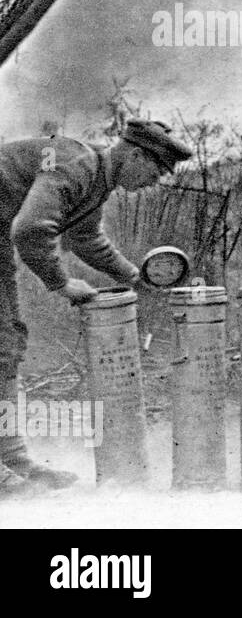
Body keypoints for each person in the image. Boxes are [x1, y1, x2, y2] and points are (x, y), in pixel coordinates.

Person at [0, 119, 192, 496]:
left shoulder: (95, 179)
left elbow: (86, 238)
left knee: (4, 349)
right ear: (136, 155)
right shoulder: (76, 166)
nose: (155, 181)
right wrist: (60, 282)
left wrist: (136, 277)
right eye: (157, 170)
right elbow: (31, 229)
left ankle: (14, 461)